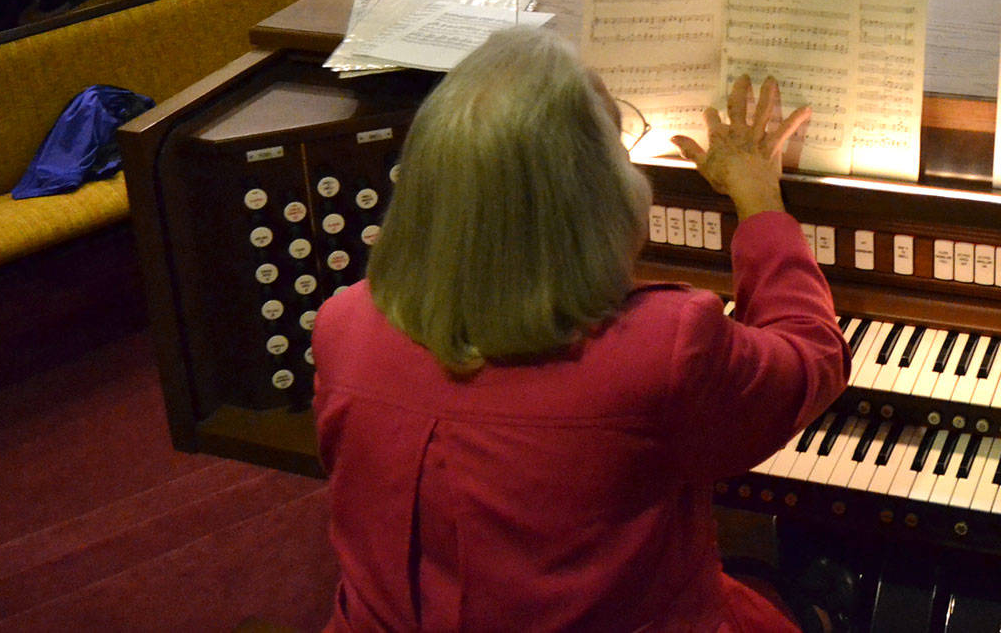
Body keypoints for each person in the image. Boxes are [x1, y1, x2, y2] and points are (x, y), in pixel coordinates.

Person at [314, 31, 845, 633]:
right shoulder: (662, 347)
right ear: (598, 199)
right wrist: (761, 204)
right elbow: (811, 355)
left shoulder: (342, 326)